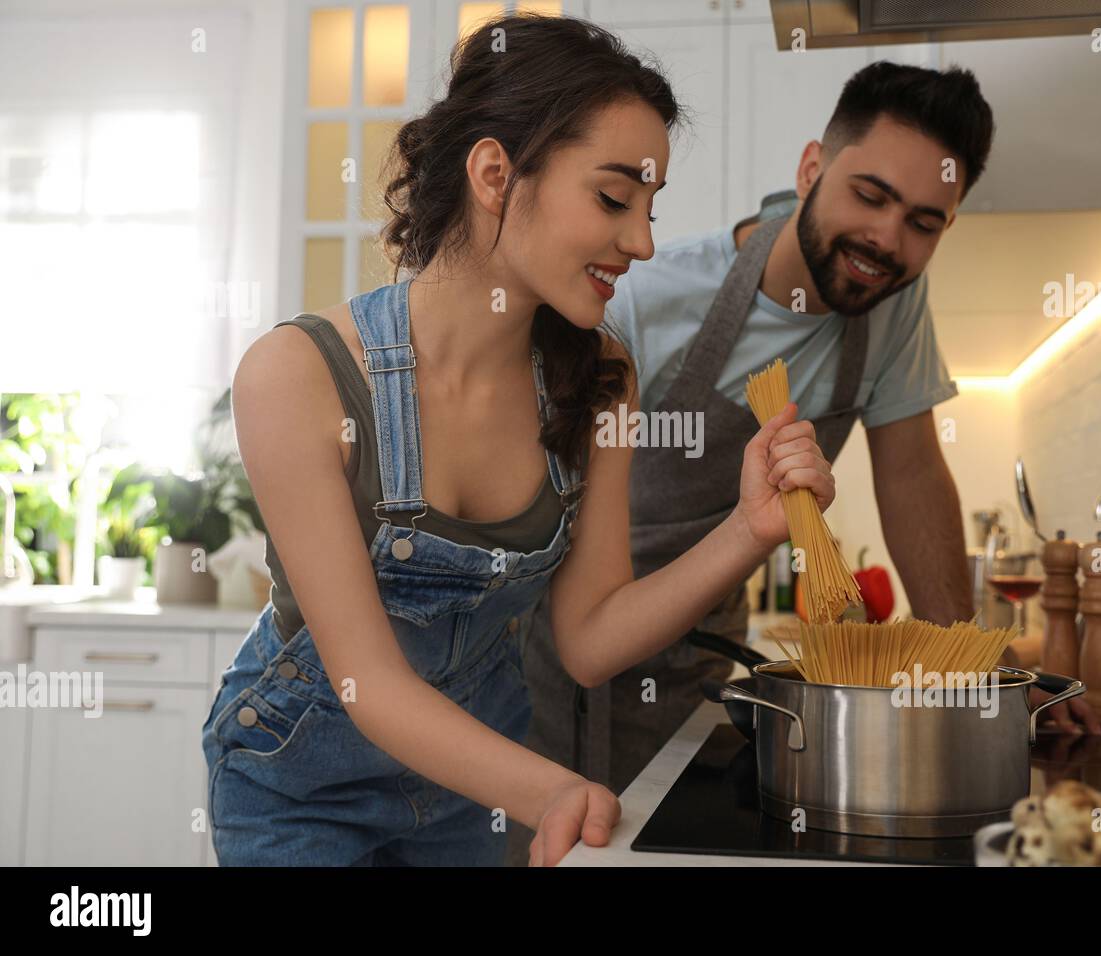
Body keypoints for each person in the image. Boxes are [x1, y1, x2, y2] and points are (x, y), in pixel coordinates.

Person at [200, 13, 839, 867]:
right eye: (614, 198)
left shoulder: (601, 376)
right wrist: (550, 789)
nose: (642, 241)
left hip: (474, 793)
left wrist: (751, 529)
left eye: (650, 207)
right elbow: (371, 684)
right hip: (300, 797)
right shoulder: (297, 376)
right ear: (495, 174)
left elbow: (589, 639)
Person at [514, 59, 1101, 853]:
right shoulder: (640, 301)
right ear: (810, 169)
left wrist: (979, 675)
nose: (886, 241)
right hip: (559, 666)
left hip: (694, 664)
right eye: (869, 196)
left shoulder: (893, 304)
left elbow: (910, 473)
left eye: (924, 222)